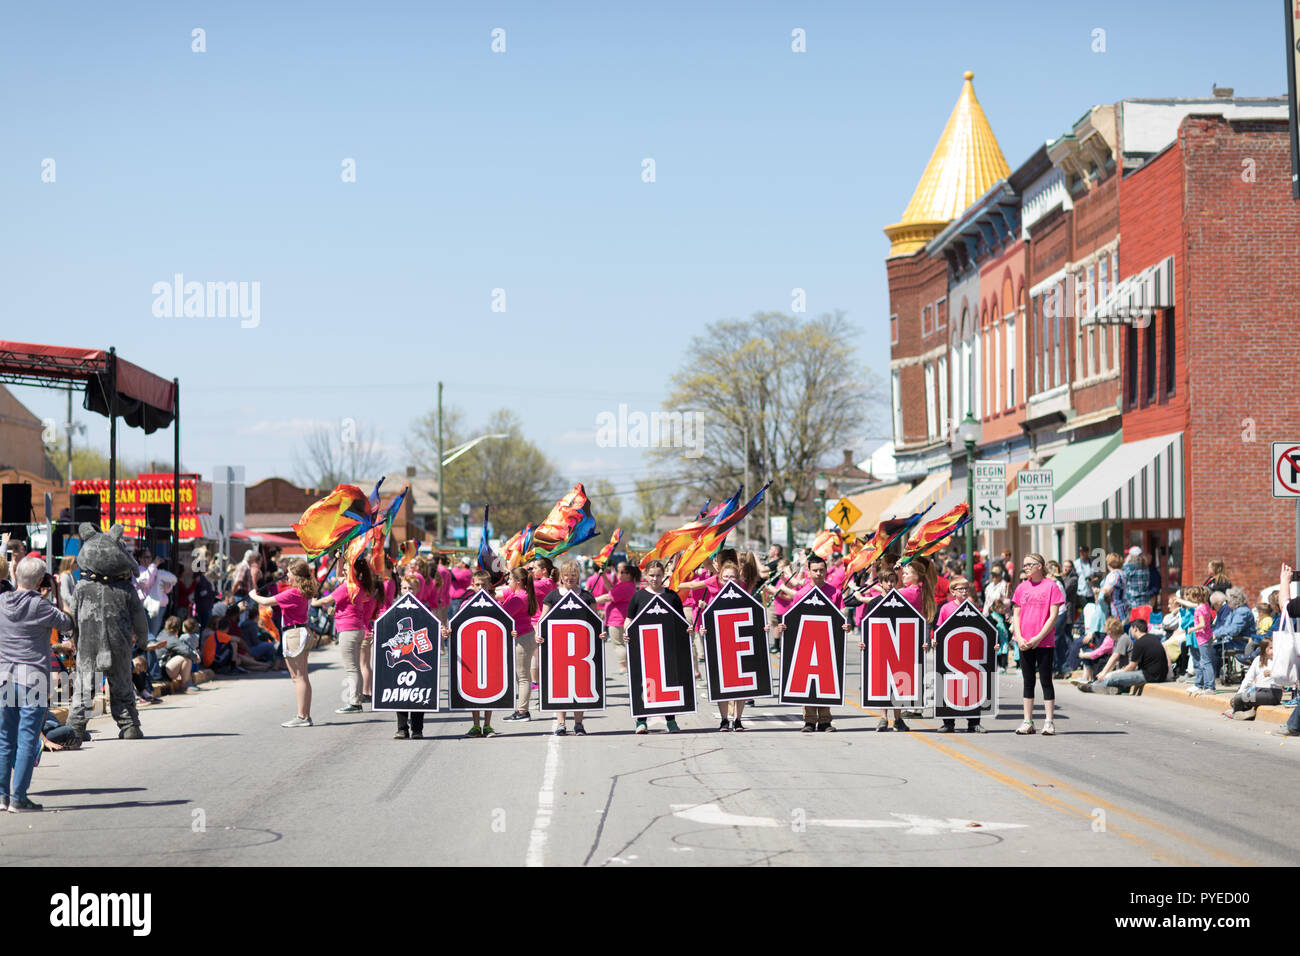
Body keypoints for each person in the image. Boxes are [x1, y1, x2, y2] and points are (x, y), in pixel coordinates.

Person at [0, 556, 75, 811]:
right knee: (27, 740)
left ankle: (2, 797)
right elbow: (67, 623)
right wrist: (55, 594)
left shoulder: (0, 601)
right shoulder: (40, 606)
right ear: (42, 580)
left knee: (4, 739)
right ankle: (18, 798)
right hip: (31, 679)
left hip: (4, 678)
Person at [774, 554, 844, 733]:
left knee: (826, 681)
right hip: (807, 643)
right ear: (809, 571)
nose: (819, 573)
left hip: (827, 643)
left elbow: (841, 615)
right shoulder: (801, 594)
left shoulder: (834, 592)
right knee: (808, 683)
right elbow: (793, 618)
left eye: (822, 570)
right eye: (815, 570)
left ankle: (826, 720)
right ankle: (810, 720)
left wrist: (845, 625)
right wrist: (784, 627)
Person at [536, 560, 601, 736]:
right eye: (566, 575)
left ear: (578, 576)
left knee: (580, 684)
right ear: (561, 577)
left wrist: (600, 634)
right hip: (558, 648)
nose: (570, 578)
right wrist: (538, 634)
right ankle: (561, 723)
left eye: (573, 575)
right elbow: (543, 619)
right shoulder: (552, 596)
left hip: (582, 649)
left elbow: (596, 621)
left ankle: (579, 723)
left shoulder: (587, 596)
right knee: (560, 685)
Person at [250, 559, 316, 727]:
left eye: (289, 572)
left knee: (298, 678)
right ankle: (304, 715)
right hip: (300, 631)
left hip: (294, 633)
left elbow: (265, 602)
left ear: (296, 575)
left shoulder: (293, 592)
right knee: (302, 677)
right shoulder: (302, 591)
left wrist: (252, 594)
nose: (287, 575)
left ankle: (302, 716)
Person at [311, 558, 380, 715]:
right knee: (355, 667)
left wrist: (314, 602)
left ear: (355, 571)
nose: (343, 570)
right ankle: (357, 699)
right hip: (356, 629)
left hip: (348, 630)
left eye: (347, 568)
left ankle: (354, 703)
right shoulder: (360, 586)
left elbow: (328, 600)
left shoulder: (348, 587)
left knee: (351, 668)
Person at [625, 559, 685, 734]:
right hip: (645, 648)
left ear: (663, 576)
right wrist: (626, 630)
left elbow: (681, 620)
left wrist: (687, 628)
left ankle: (671, 721)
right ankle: (641, 720)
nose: (655, 579)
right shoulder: (638, 596)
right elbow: (629, 619)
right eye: (651, 575)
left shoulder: (671, 596)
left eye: (658, 575)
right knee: (643, 683)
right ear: (645, 575)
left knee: (669, 682)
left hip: (667, 646)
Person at [1012, 553, 1064, 735]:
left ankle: (1049, 721)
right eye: (1024, 565)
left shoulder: (1051, 587)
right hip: (1024, 641)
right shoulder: (1021, 588)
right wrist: (1019, 636)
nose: (1025, 568)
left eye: (1029, 565)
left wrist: (1039, 637)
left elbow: (1053, 616)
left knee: (1045, 680)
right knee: (1028, 681)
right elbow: (1016, 614)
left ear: (1039, 566)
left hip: (1044, 641)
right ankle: (1028, 721)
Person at [936, 577, 985, 733]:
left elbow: (982, 629)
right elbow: (939, 629)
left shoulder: (974, 607)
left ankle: (974, 722)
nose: (964, 592)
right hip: (951, 654)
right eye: (960, 589)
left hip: (970, 654)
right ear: (952, 592)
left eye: (966, 589)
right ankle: (948, 722)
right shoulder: (946, 608)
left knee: (972, 686)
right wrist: (934, 641)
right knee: (949, 686)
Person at [461, 570, 502, 738]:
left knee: (489, 689)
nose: (480, 588)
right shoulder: (466, 604)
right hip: (472, 651)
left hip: (491, 650)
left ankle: (488, 724)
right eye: (477, 585)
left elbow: (504, 623)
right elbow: (458, 624)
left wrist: (510, 633)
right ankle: (475, 725)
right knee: (474, 689)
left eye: (483, 585)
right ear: (472, 585)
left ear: (489, 586)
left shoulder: (496, 604)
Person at [1078, 618, 1168, 693]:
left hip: (1149, 676)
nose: (1130, 631)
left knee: (1112, 677)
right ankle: (1114, 689)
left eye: (1131, 629)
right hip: (1160, 675)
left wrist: (1114, 673)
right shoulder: (1154, 639)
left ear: (1135, 628)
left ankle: (1093, 687)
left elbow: (1131, 666)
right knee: (1113, 677)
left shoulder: (1138, 642)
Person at [501, 566, 539, 723]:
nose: (508, 581)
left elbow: (503, 614)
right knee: (521, 676)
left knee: (523, 677)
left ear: (517, 581)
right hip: (525, 635)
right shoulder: (522, 594)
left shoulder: (519, 598)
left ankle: (523, 711)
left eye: (510, 579)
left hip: (522, 638)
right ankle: (521, 709)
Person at [594, 563, 637, 676]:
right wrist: (603, 576)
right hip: (619, 619)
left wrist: (590, 600)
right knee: (621, 643)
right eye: (619, 571)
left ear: (630, 575)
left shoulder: (625, 586)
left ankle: (623, 667)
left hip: (617, 620)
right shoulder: (625, 585)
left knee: (619, 644)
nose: (620, 574)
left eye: (623, 572)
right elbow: (611, 590)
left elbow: (608, 597)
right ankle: (626, 666)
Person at [1223, 638, 1281, 719]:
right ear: (1264, 649)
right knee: (1237, 699)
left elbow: (1287, 679)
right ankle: (1244, 712)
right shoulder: (1258, 660)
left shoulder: (1279, 660)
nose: (1274, 651)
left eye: (1275, 648)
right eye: (1271, 648)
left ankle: (1236, 714)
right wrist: (1239, 693)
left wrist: (1273, 673)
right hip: (1259, 691)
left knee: (1239, 699)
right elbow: (1248, 679)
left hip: (1272, 694)